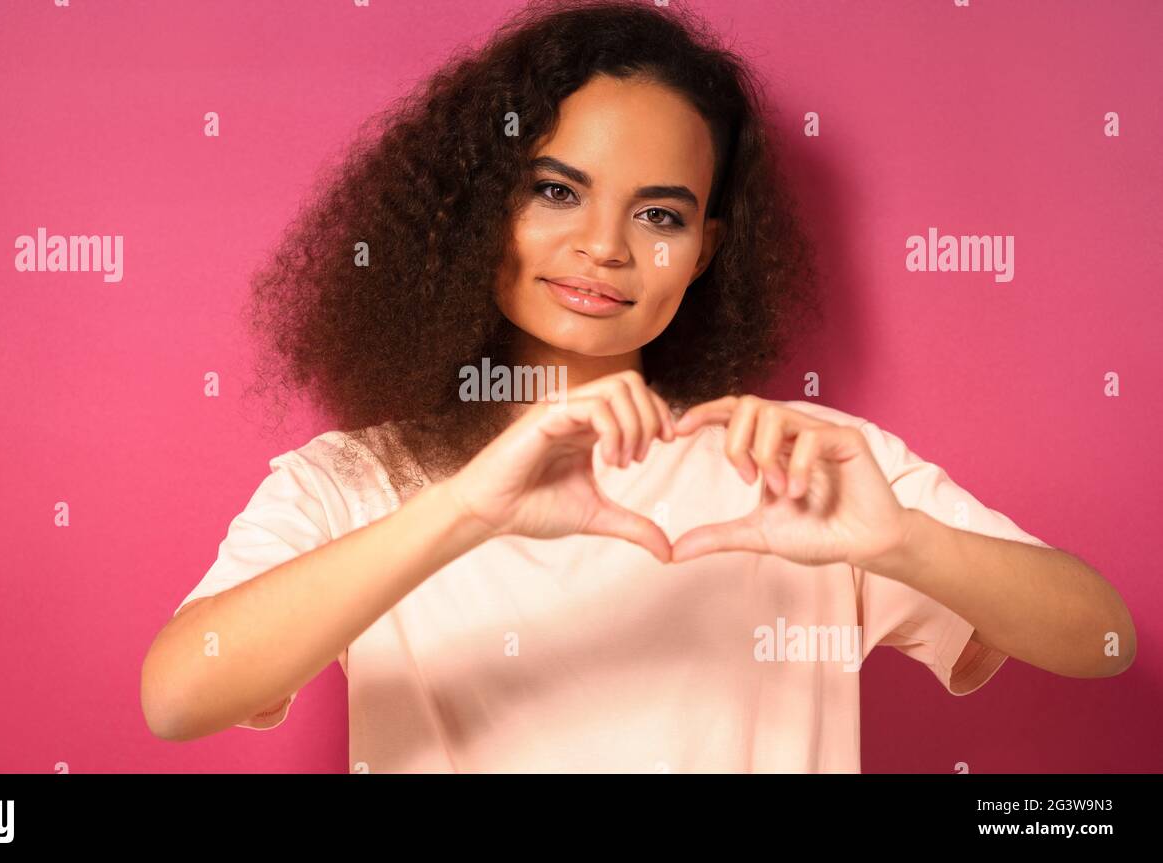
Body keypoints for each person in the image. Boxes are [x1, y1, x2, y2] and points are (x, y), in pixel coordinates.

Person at [139, 0, 1135, 772]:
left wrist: (905, 541)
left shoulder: (804, 461)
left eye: (659, 215)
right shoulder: (353, 479)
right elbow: (179, 696)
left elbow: (1102, 637)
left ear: (705, 249)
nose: (602, 247)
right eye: (554, 190)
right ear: (481, 205)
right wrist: (463, 510)